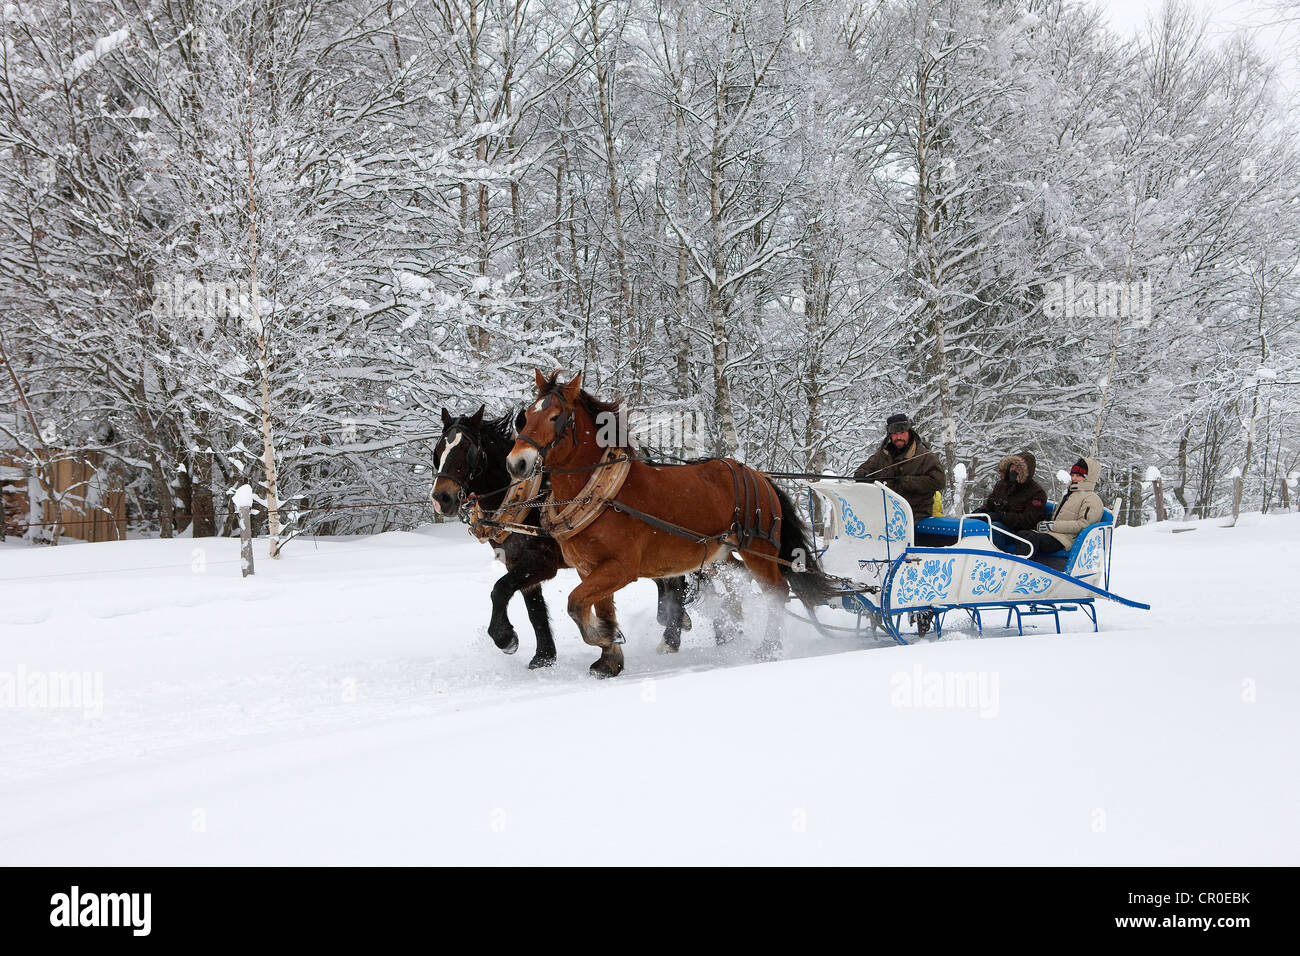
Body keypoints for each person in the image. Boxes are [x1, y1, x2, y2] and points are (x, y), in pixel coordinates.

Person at [853, 413, 946, 519]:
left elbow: (939, 482)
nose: (898, 437)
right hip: (886, 514)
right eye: (895, 434)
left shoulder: (925, 456)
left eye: (902, 432)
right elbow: (865, 468)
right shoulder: (882, 455)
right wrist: (861, 474)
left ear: (909, 432)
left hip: (915, 516)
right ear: (890, 435)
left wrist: (906, 481)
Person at [1015, 457, 1104, 560]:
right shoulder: (1070, 494)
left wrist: (1053, 526)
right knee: (1021, 533)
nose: (1074, 478)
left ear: (1089, 478)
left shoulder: (1092, 499)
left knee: (1029, 539)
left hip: (1066, 539)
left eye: (1079, 476)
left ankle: (1021, 567)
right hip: (1054, 534)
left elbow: (1083, 525)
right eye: (1073, 475)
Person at [975, 451, 1047, 553]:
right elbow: (991, 503)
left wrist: (1002, 516)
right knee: (975, 523)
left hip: (1017, 531)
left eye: (1018, 468)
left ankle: (997, 556)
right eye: (1012, 466)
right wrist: (980, 512)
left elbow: (1029, 520)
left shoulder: (1036, 493)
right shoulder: (1002, 485)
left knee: (995, 528)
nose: (1014, 470)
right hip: (1000, 524)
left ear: (1026, 471)